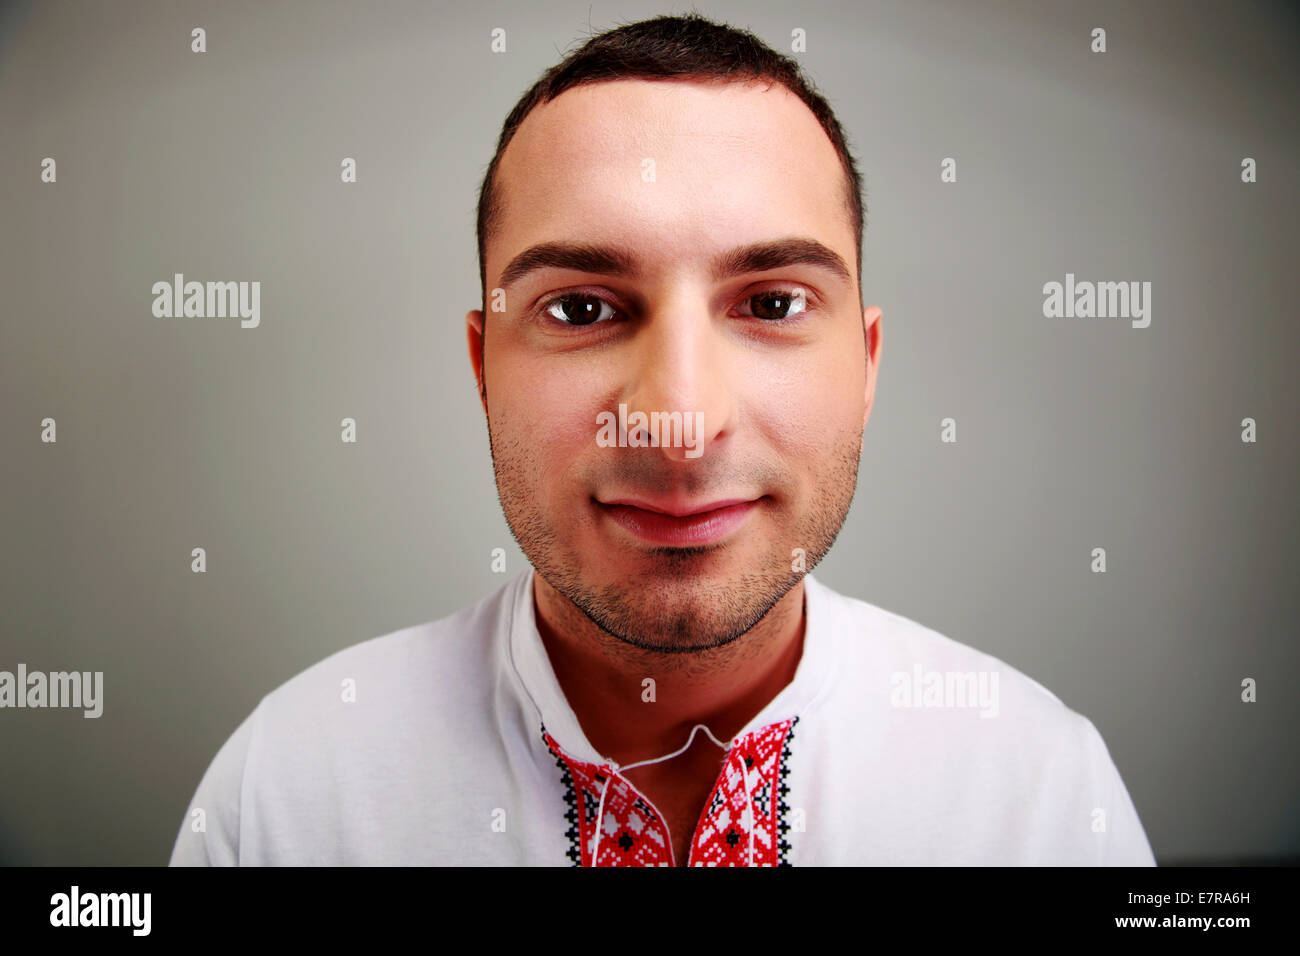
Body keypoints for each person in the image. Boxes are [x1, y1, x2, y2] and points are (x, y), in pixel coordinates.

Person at [170, 13, 1155, 866]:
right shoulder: (287, 799)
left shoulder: (1042, 798)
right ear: (482, 367)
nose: (679, 420)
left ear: (866, 366)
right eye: (583, 306)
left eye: (770, 302)